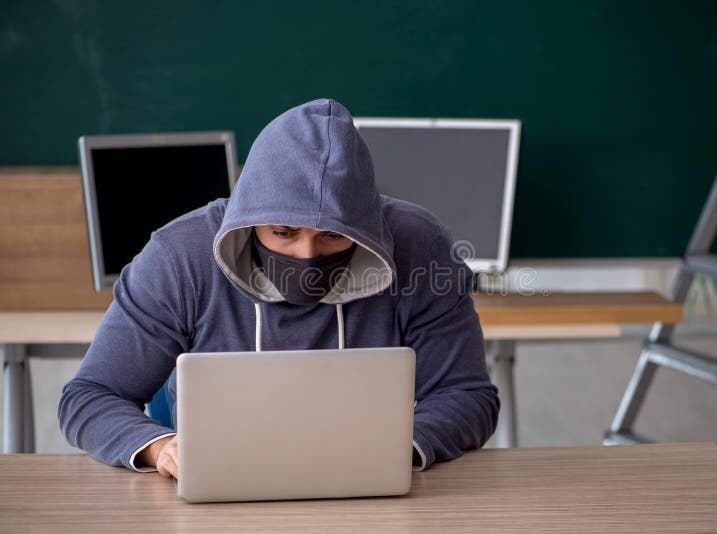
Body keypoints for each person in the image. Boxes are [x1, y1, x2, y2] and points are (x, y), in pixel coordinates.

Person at [58, 99, 500, 478]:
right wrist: (162, 448)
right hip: (212, 492)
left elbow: (467, 396)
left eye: (332, 235)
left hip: (370, 494)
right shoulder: (178, 257)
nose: (307, 256)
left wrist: (391, 453)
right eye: (284, 232)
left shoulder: (420, 247)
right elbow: (90, 396)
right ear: (250, 222)